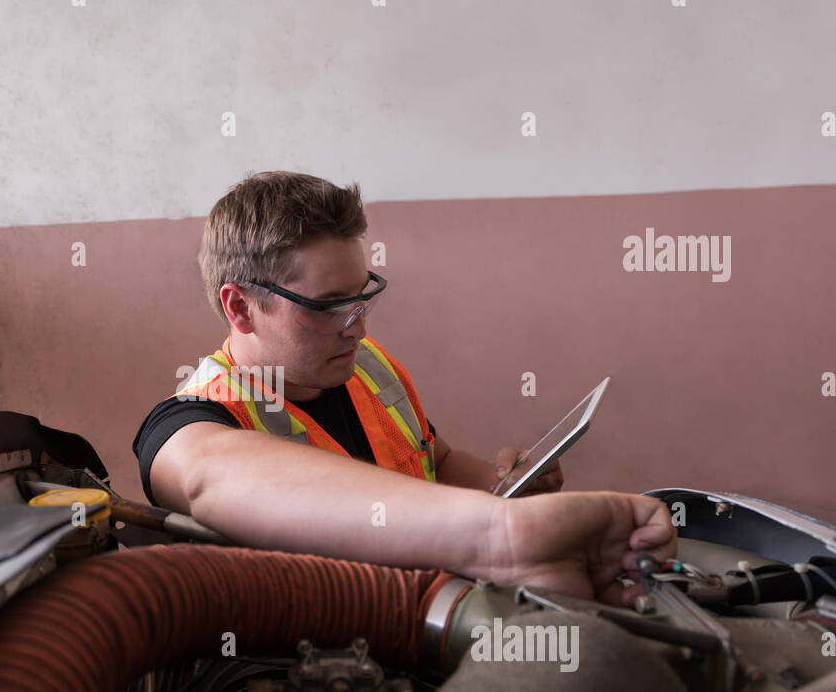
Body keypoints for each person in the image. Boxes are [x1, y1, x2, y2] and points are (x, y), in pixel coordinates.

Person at [132, 172, 673, 602]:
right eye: (327, 307)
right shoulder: (192, 421)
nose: (358, 327)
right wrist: (497, 536)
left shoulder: (366, 365)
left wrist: (503, 487)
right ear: (241, 306)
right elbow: (207, 475)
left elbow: (433, 458)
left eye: (362, 296)